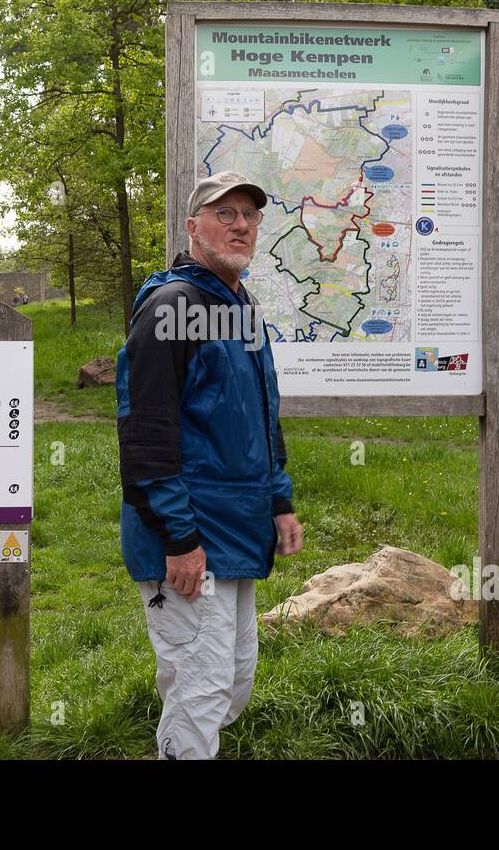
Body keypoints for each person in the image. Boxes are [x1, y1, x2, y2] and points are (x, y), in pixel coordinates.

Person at [116, 170, 304, 760]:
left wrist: (280, 500)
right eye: (225, 214)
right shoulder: (172, 308)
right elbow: (146, 435)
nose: (240, 225)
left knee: (233, 679)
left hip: (238, 529)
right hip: (190, 537)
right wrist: (179, 537)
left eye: (249, 215)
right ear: (193, 226)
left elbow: (261, 416)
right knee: (201, 689)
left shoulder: (241, 308)